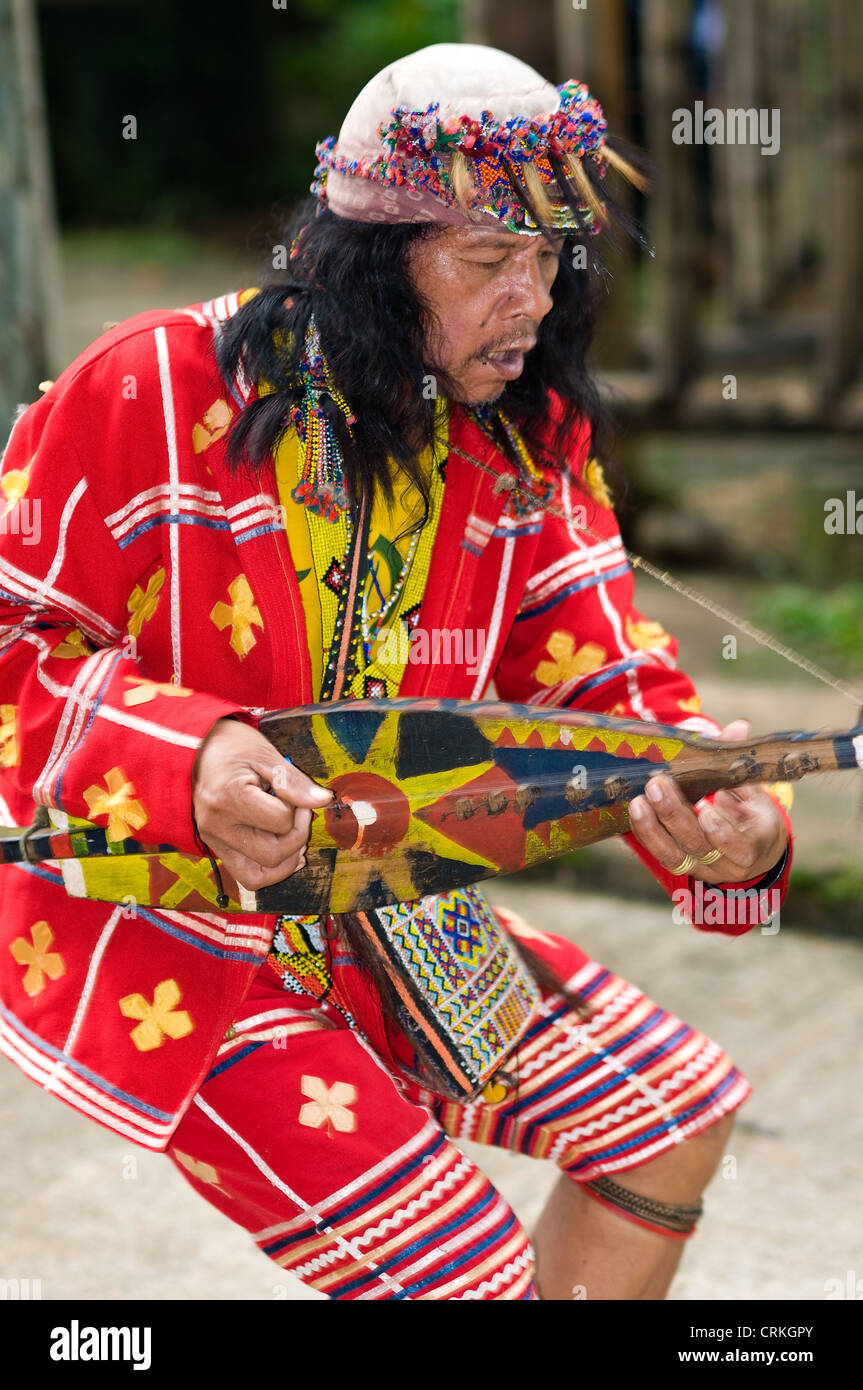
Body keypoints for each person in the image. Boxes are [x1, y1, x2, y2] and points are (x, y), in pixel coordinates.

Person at [0, 43, 792, 1301]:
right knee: (464, 1273)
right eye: (486, 261)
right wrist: (186, 751)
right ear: (362, 264)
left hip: (390, 897)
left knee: (675, 1115)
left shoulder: (521, 434)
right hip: (169, 920)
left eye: (545, 260)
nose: (527, 300)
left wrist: (715, 800)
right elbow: (13, 639)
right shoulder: (149, 386)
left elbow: (597, 673)